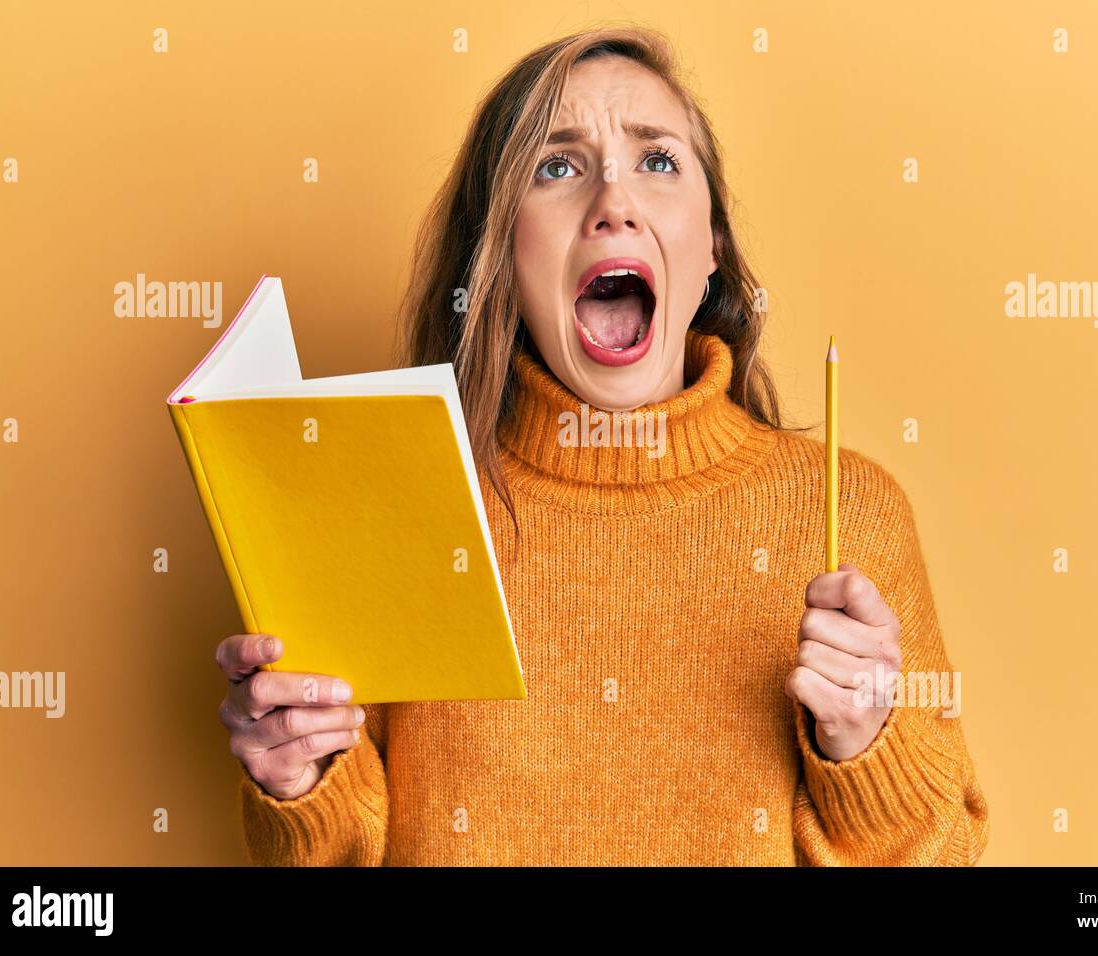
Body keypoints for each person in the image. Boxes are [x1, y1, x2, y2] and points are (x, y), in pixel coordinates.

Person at [215, 25, 990, 866]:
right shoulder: (393, 505)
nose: (612, 202)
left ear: (712, 252)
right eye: (557, 165)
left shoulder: (850, 515)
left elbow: (941, 853)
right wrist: (299, 783)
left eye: (657, 161)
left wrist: (861, 749)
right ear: (501, 256)